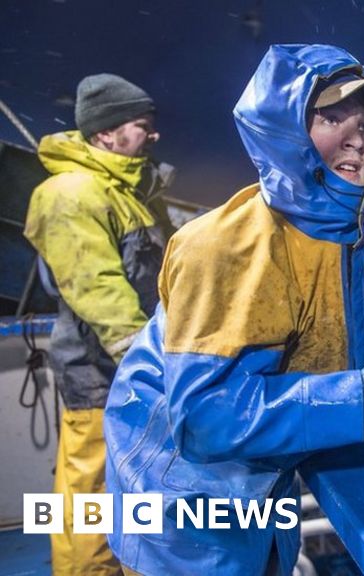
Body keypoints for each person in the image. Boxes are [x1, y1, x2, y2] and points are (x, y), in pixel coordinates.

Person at [104, 44, 364, 575]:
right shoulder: (221, 248)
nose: (357, 136)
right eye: (333, 116)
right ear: (282, 128)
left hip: (268, 478)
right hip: (175, 498)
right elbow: (205, 421)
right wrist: (361, 395)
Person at [23, 73, 173, 575]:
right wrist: (149, 363)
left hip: (135, 373)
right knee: (90, 492)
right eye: (140, 125)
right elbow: (97, 287)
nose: (151, 135)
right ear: (105, 132)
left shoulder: (129, 191)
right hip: (99, 374)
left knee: (132, 489)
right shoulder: (70, 194)